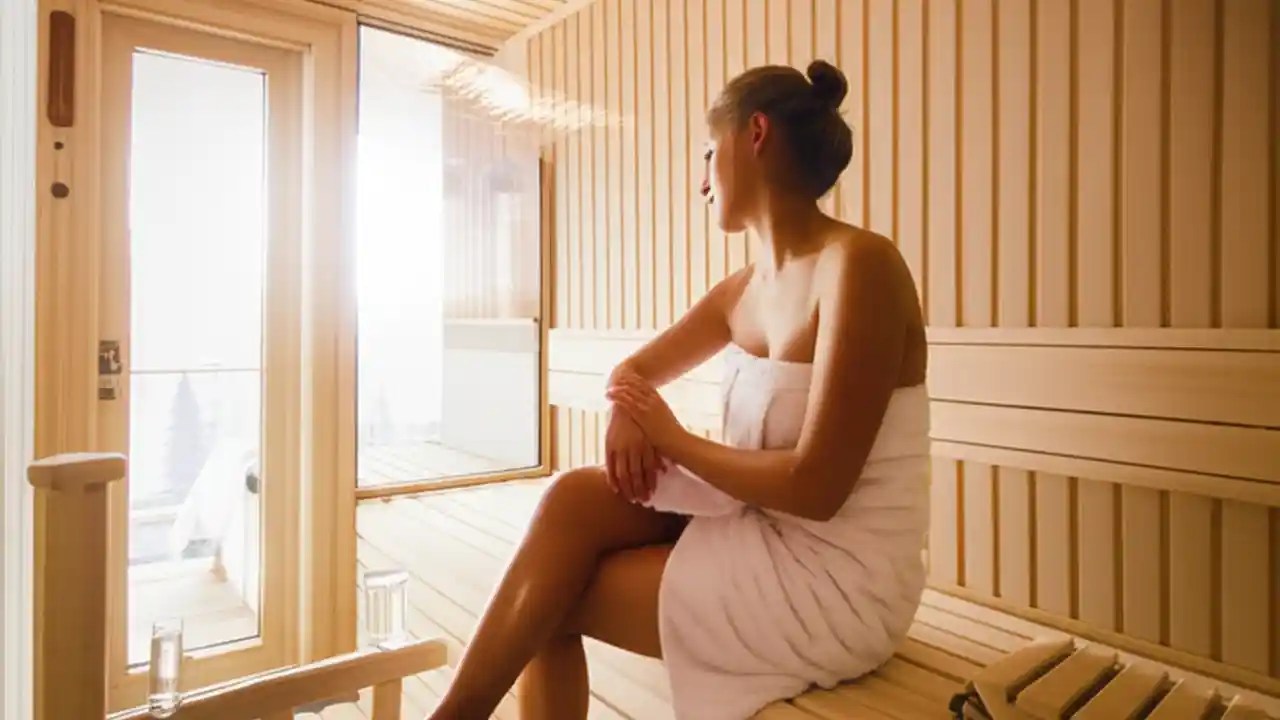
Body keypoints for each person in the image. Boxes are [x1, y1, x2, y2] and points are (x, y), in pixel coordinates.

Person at [427, 59, 930, 720]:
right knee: (572, 497)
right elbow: (631, 374)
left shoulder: (860, 266)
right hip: (762, 525)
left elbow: (818, 488)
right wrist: (627, 412)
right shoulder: (740, 293)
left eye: (705, 153)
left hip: (837, 580)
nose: (700, 182)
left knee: (550, 601)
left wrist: (672, 440)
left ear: (753, 135)